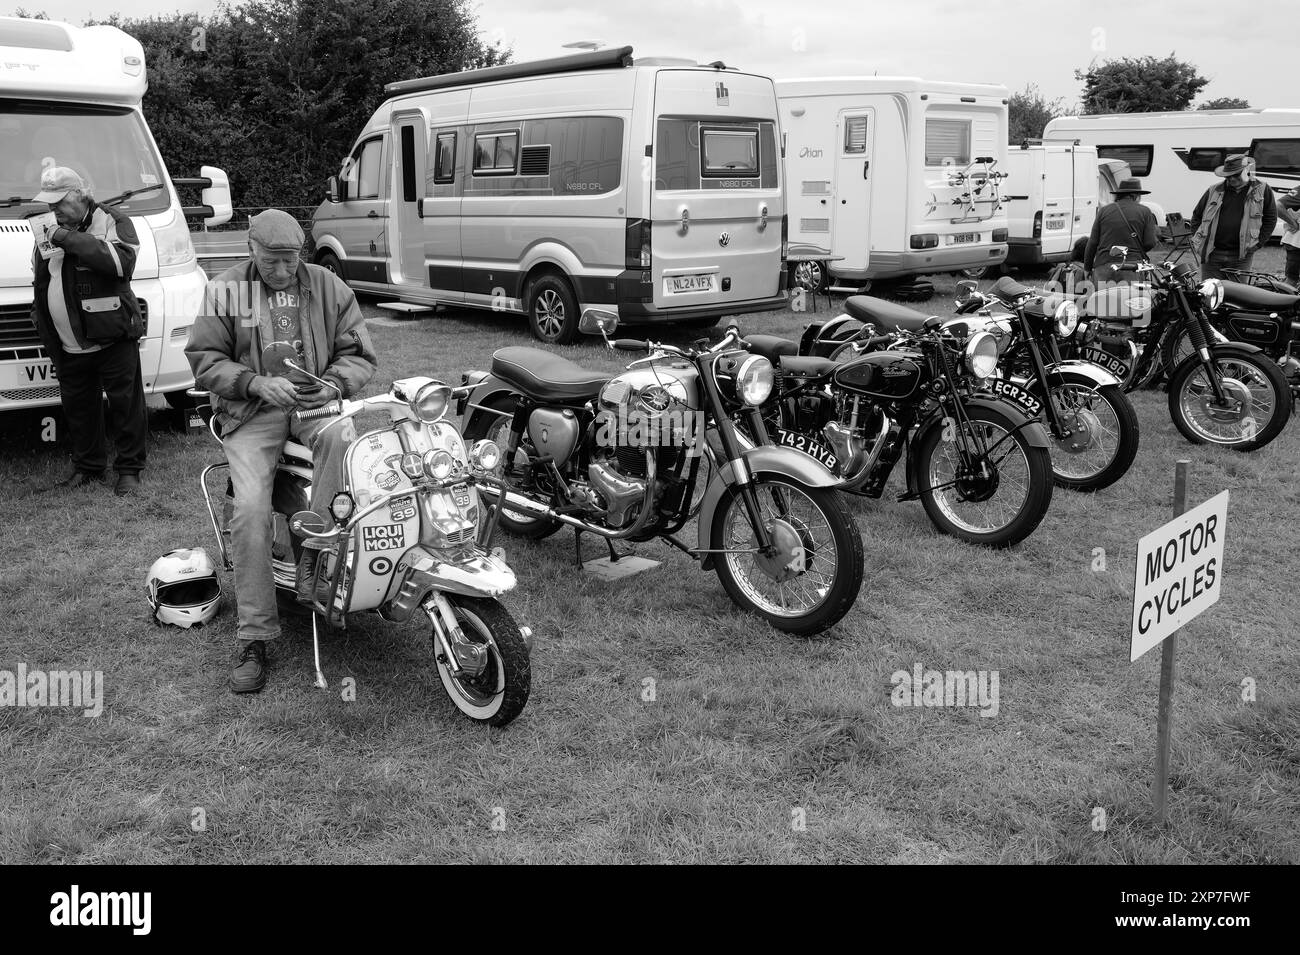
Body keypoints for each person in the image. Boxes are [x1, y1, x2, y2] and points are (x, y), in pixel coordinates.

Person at [186, 209, 377, 694]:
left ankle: (320, 571)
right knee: (250, 508)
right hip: (253, 412)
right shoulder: (226, 290)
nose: (281, 270)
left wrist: (334, 384)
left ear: (302, 254)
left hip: (314, 403)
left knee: (346, 444)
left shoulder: (328, 286)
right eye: (271, 261)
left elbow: (358, 352)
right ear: (251, 250)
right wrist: (253, 383)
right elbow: (204, 359)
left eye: (290, 260)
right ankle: (254, 636)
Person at [30, 166, 148, 496]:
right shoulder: (48, 228)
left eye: (59, 203)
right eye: (49, 204)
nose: (53, 210)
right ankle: (89, 467)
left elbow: (122, 263)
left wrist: (67, 238)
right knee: (79, 409)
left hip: (113, 336)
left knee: (126, 406)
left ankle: (129, 470)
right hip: (66, 342)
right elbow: (43, 278)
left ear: (81, 195)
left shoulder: (112, 220)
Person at [1189, 154, 1277, 281]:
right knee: (1209, 294)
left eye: (1236, 174)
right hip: (1211, 254)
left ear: (1247, 170)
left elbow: (1271, 218)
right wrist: (1198, 239)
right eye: (1228, 176)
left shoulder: (1262, 189)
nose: (1232, 179)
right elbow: (1197, 216)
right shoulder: (1213, 190)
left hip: (1241, 256)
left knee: (1238, 296)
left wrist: (1258, 243)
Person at [1083, 178, 1159, 285]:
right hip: (1132, 267)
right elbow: (1150, 242)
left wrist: (1087, 268)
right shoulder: (1145, 211)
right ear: (1135, 196)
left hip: (1104, 267)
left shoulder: (1104, 211)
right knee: (1130, 300)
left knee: (1103, 301)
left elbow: (1092, 243)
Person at [1278, 185, 1300, 286]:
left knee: (1292, 281)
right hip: (1296, 244)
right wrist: (1292, 223)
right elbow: (1277, 206)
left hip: (1294, 243)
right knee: (1291, 282)